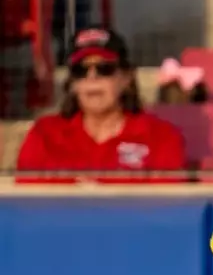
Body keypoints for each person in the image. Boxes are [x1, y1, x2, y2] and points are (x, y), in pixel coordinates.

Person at [16, 28, 187, 184]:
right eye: (80, 70)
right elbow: (24, 208)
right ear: (73, 83)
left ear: (126, 78)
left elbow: (167, 211)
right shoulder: (44, 135)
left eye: (104, 69)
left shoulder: (161, 138)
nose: (92, 77)